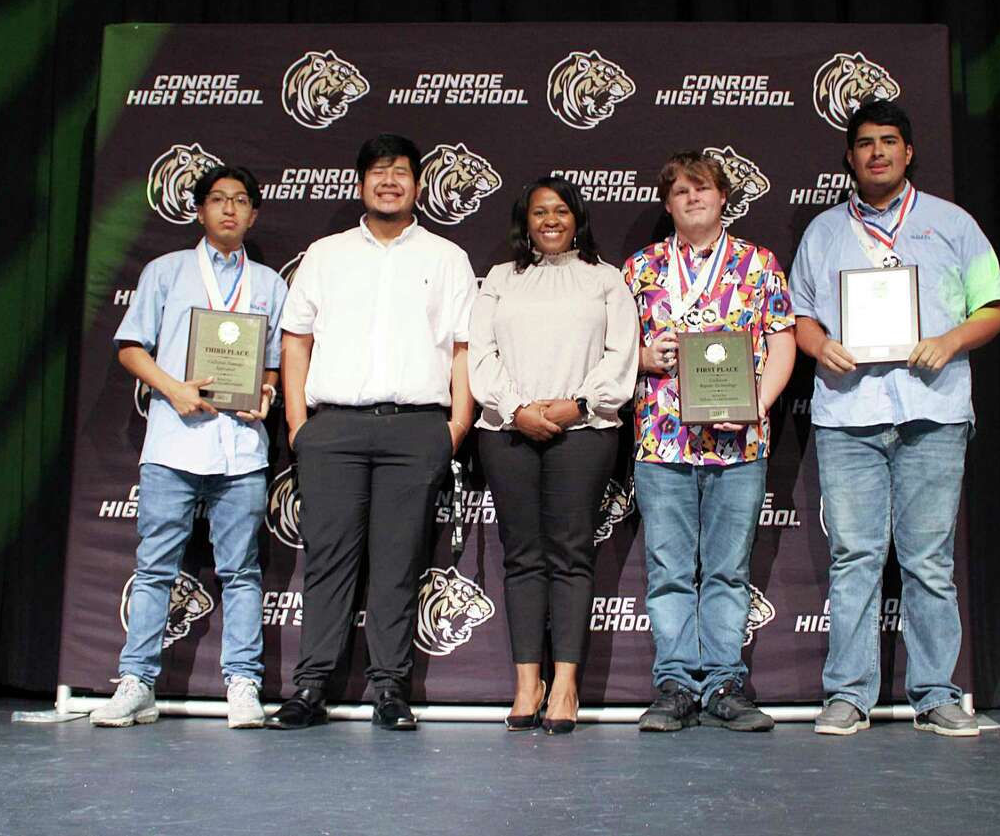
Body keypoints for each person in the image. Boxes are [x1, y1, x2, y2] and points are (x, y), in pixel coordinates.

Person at [788, 99, 1000, 737]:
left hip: (932, 410)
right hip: (850, 412)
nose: (878, 151)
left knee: (929, 560)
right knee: (855, 556)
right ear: (851, 158)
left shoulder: (952, 224)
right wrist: (817, 344)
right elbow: (800, 316)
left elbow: (993, 306)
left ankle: (936, 694)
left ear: (908, 153)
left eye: (889, 141)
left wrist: (952, 340)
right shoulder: (825, 233)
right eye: (865, 143)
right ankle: (848, 697)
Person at [266, 134, 476, 731]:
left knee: (398, 562)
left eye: (402, 172)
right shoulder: (326, 253)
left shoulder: (446, 257)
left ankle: (390, 688)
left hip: (416, 429)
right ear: (360, 183)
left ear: (418, 184)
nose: (390, 181)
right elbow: (296, 338)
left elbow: (463, 347)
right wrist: (298, 425)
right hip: (332, 427)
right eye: (379, 171)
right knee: (329, 560)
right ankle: (311, 686)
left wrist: (456, 426)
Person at [91, 165, 286, 729]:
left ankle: (243, 686)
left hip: (241, 448)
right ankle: (137, 683)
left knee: (242, 571)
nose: (229, 209)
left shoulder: (270, 284)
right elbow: (130, 346)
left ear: (253, 214)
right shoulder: (167, 272)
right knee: (154, 568)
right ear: (199, 210)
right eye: (218, 200)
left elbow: (272, 363)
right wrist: (172, 387)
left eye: (241, 200)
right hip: (174, 443)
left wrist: (266, 393)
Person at [626, 151, 796, 732]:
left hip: (739, 445)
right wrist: (642, 358)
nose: (693, 198)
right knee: (669, 570)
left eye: (702, 189)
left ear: (724, 197)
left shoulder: (759, 264)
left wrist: (756, 407)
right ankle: (674, 683)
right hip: (662, 442)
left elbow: (782, 345)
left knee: (727, 570)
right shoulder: (642, 268)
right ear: (667, 203)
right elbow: (611, 350)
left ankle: (725, 683)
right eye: (680, 192)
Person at [469, 177, 638, 734]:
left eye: (560, 210)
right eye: (539, 211)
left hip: (584, 431)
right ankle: (527, 684)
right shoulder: (499, 279)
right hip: (508, 431)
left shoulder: (606, 280)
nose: (550, 220)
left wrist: (578, 404)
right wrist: (518, 409)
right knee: (521, 558)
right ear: (525, 220)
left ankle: (565, 686)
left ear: (577, 217)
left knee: (570, 556)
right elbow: (482, 356)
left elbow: (622, 356)